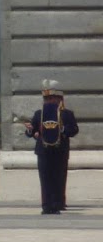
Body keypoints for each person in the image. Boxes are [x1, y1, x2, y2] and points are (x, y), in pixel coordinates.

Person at [24, 81, 80, 215]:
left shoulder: (66, 114)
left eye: (51, 98)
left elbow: (74, 130)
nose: (48, 101)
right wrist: (30, 130)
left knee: (58, 178)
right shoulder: (39, 114)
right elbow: (32, 132)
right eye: (46, 99)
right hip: (43, 151)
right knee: (45, 178)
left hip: (60, 150)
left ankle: (56, 204)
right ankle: (46, 205)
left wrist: (63, 129)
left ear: (58, 100)